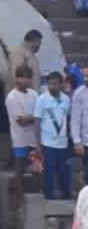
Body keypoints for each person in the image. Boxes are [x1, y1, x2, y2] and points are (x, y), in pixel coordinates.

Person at [41, 71, 74, 202]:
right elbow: (37, 121)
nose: (52, 87)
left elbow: (69, 118)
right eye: (50, 84)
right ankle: (48, 197)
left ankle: (66, 195)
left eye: (55, 84)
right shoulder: (42, 100)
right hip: (47, 142)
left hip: (63, 143)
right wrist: (38, 144)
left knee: (64, 170)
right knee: (48, 171)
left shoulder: (66, 100)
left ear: (61, 84)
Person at [6, 65, 40, 183]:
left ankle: (38, 193)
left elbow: (39, 115)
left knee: (37, 167)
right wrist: (34, 117)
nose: (23, 80)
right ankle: (18, 195)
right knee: (20, 167)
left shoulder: (34, 94)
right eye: (20, 77)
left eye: (26, 77)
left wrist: (32, 118)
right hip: (20, 138)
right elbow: (21, 121)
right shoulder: (12, 97)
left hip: (34, 137)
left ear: (30, 79)